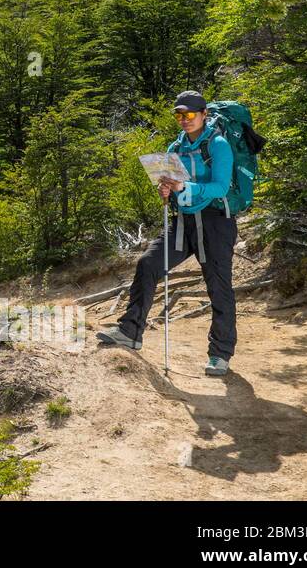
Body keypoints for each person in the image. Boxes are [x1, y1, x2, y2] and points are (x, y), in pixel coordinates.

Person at [97, 91, 237, 377]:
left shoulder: (219, 145)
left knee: (218, 286)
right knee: (148, 263)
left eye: (190, 114)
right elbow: (174, 186)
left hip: (215, 222)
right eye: (179, 115)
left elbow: (221, 187)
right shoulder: (177, 145)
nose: (184, 120)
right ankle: (130, 331)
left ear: (203, 115)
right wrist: (166, 190)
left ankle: (220, 354)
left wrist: (185, 188)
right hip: (183, 220)